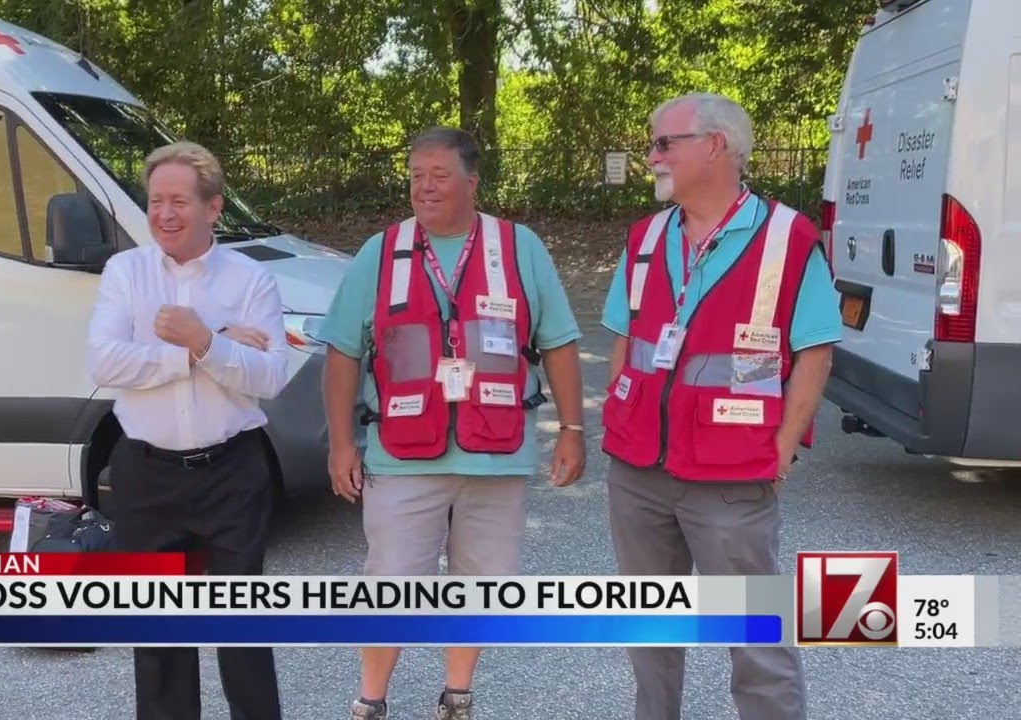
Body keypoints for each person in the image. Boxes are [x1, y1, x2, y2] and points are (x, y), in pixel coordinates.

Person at [319, 126, 586, 720]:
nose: (425, 187)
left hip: (497, 455)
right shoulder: (381, 253)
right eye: (416, 176)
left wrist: (572, 429)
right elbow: (342, 352)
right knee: (388, 585)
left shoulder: (519, 249)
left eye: (439, 175)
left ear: (473, 181)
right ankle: (371, 699)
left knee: (482, 585)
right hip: (402, 454)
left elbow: (561, 343)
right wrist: (342, 442)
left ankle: (457, 694)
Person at [599, 92, 840, 720]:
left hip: (731, 478)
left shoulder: (789, 237)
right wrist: (623, 421)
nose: (651, 156)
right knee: (649, 634)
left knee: (755, 637)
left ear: (715, 146)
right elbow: (624, 336)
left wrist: (782, 446)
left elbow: (815, 351)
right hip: (640, 471)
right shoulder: (646, 237)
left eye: (663, 144)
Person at [86, 140, 290, 720]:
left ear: (214, 208)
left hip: (232, 472)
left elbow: (271, 376)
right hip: (146, 475)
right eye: (155, 202)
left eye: (179, 201)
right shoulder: (124, 272)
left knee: (242, 633)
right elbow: (103, 363)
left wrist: (205, 339)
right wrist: (203, 348)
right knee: (158, 642)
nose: (165, 214)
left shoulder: (252, 280)